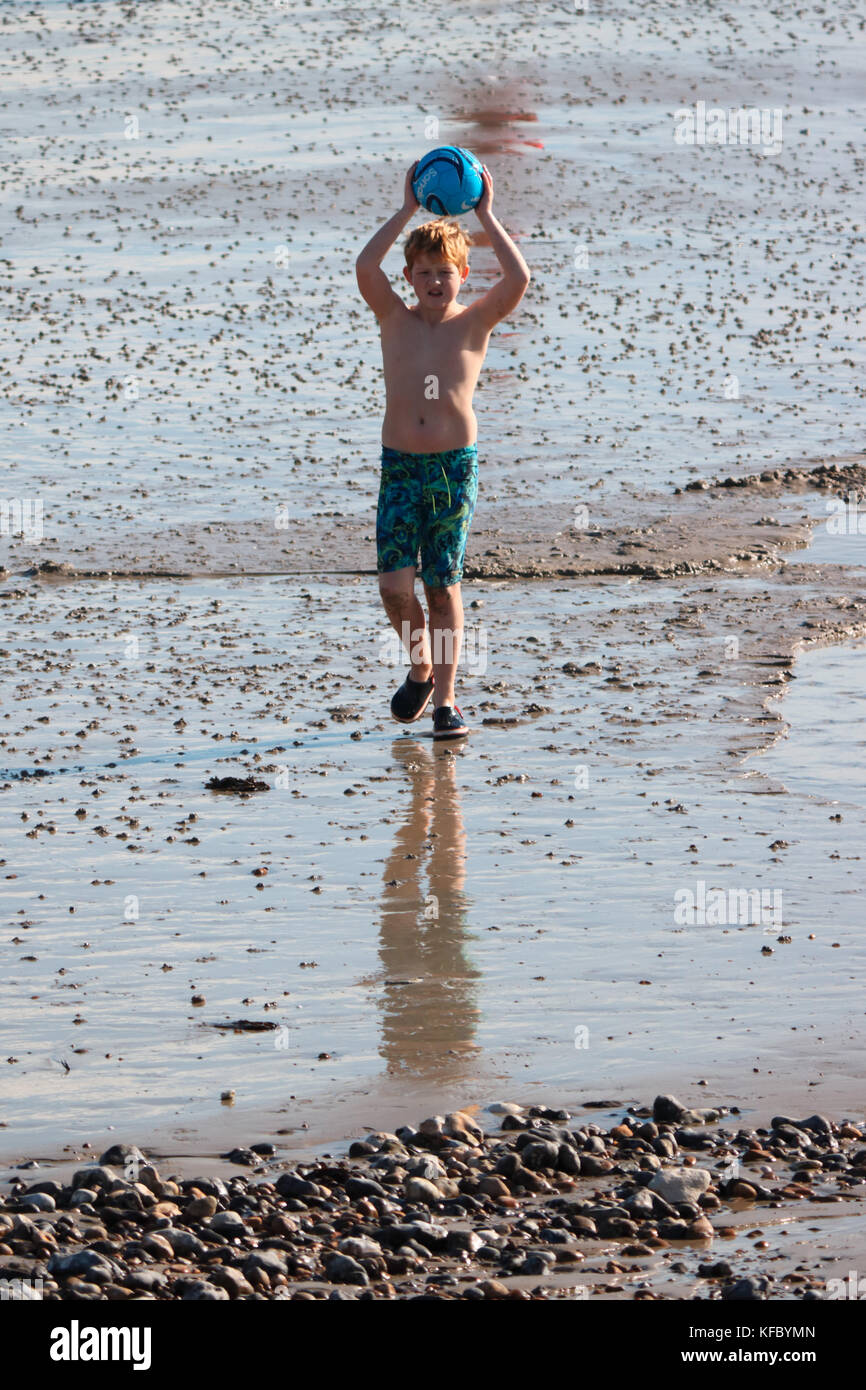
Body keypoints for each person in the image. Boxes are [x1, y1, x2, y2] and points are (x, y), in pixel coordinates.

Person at [355, 161, 530, 739]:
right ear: (409, 276)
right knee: (393, 587)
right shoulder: (393, 318)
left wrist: (485, 213)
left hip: (452, 471)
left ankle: (447, 700)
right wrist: (406, 210)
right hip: (400, 467)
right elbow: (364, 266)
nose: (434, 281)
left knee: (442, 585)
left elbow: (519, 278)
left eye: (445, 272)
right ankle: (420, 666)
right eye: (424, 271)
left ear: (462, 273)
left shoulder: (476, 322)